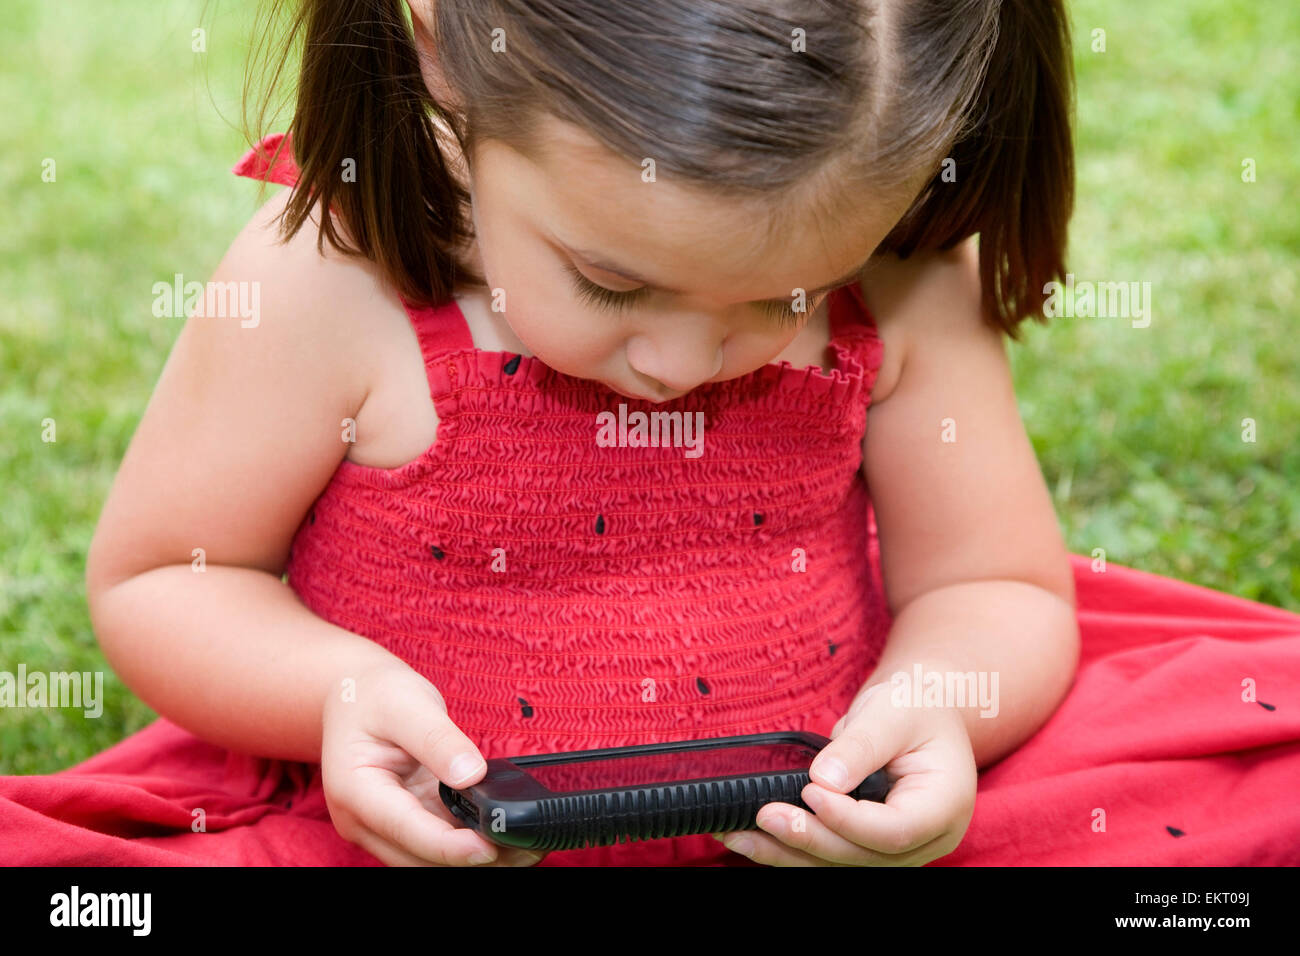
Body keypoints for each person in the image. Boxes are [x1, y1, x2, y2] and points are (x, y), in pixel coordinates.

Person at [2, 0, 1297, 867]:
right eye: (614, 283)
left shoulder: (902, 279)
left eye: (784, 298)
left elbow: (992, 585)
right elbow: (166, 582)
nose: (680, 361)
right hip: (403, 842)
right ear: (445, 49)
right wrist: (337, 694)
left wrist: (934, 712)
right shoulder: (330, 285)